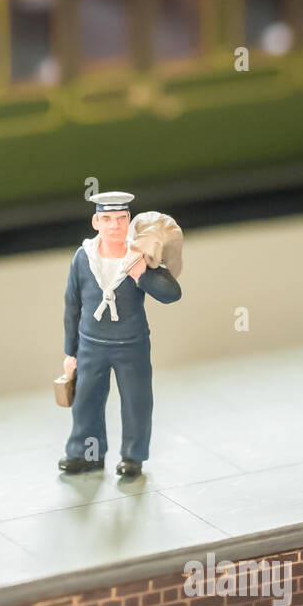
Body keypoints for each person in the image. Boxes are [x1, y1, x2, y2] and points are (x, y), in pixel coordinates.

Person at [60, 191, 181, 477]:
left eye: (121, 219)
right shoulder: (83, 257)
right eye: (107, 219)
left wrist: (142, 274)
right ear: (95, 222)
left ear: (129, 222)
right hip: (92, 345)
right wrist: (70, 351)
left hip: (132, 344)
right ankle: (87, 454)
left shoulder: (140, 257)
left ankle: (133, 457)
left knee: (136, 401)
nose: (114, 226)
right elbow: (72, 305)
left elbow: (172, 294)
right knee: (86, 403)